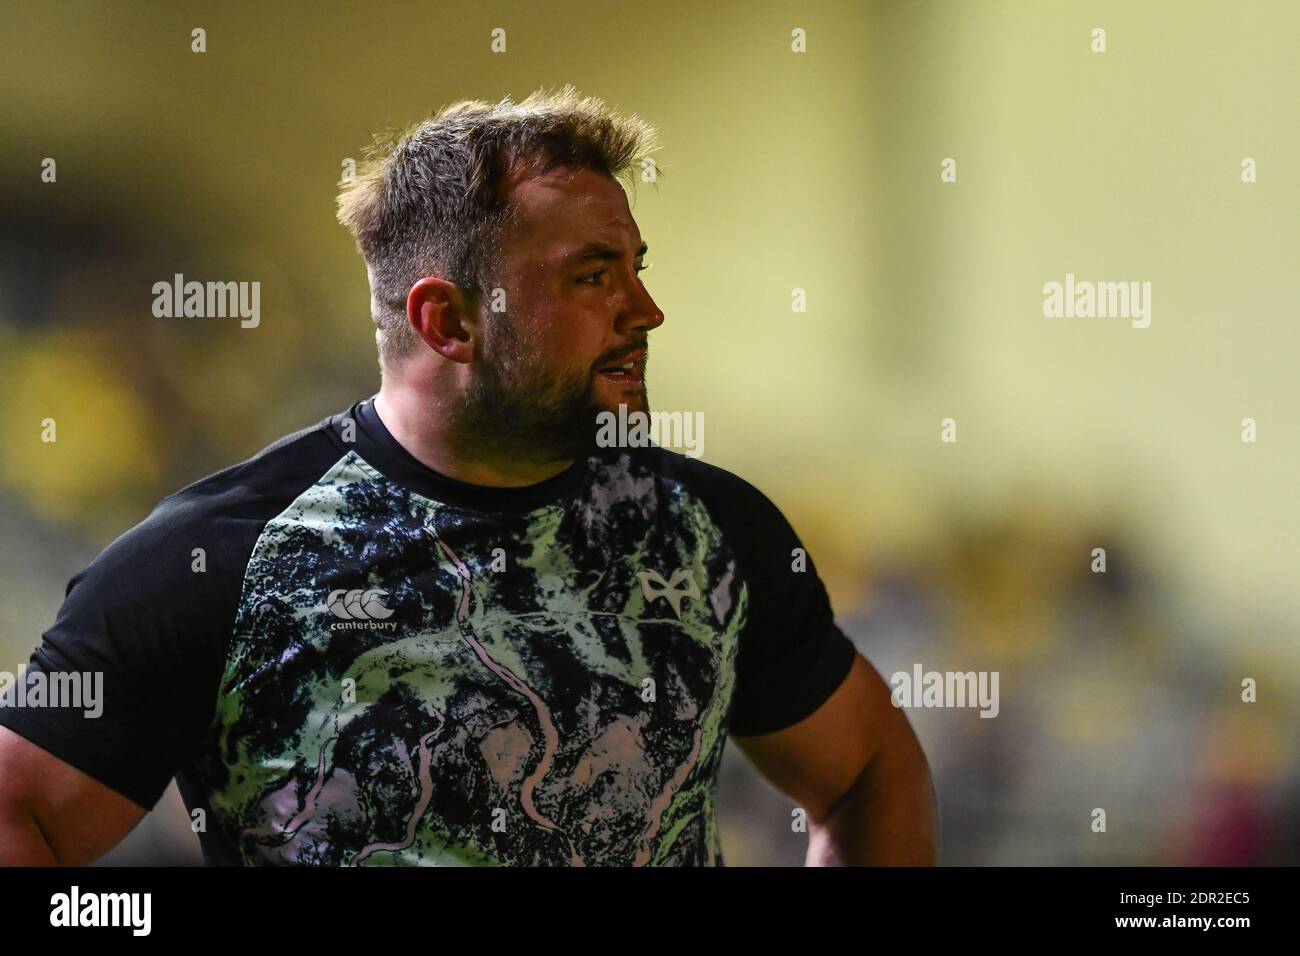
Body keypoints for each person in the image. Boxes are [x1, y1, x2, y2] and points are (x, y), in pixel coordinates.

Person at [0, 85, 937, 866]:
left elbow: (869, 768)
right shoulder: (220, 562)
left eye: (636, 270)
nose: (646, 310)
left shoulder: (707, 535)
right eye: (592, 278)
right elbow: (22, 809)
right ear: (448, 322)